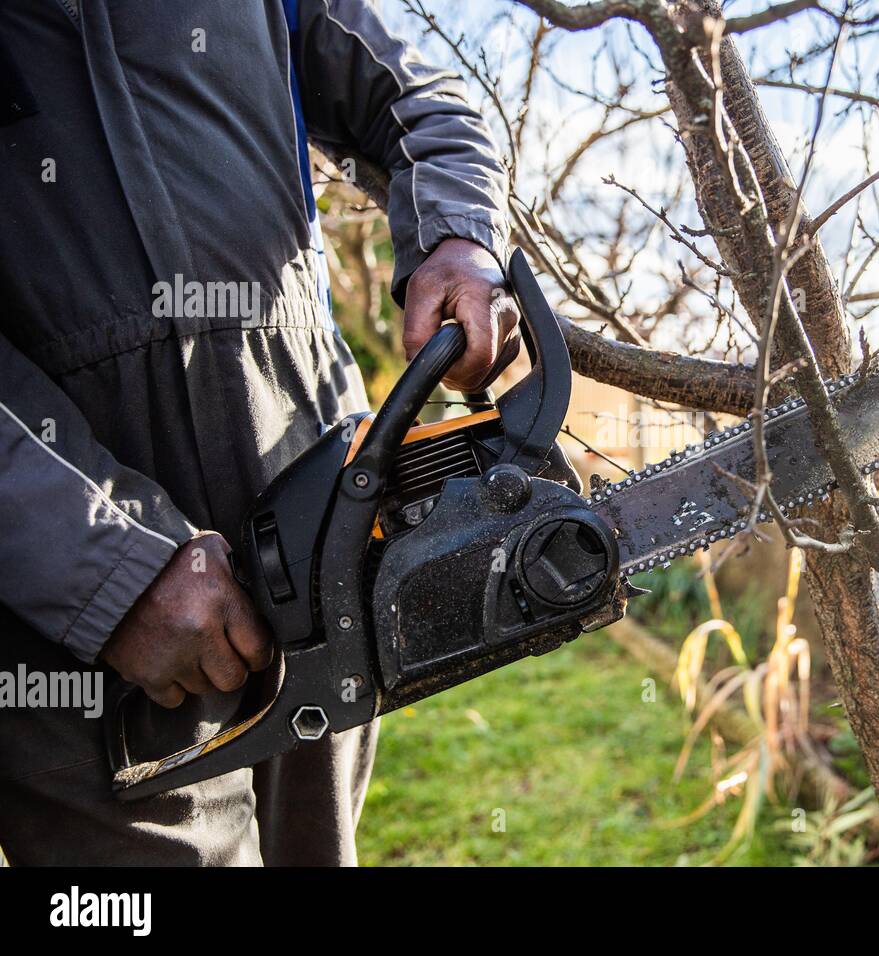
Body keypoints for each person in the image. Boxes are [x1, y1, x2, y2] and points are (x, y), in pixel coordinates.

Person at [0, 0, 516, 865]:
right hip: (52, 588)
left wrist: (457, 236)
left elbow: (416, 93)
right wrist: (104, 567)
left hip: (312, 499)